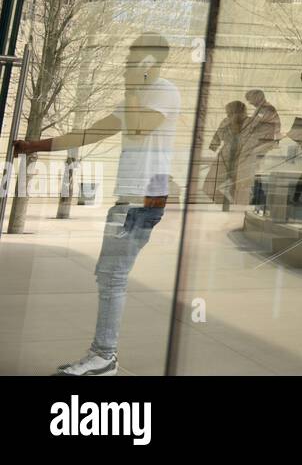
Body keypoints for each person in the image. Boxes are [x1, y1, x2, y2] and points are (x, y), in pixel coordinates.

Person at [13, 34, 181, 376]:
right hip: (131, 200)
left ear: (153, 62)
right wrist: (34, 146)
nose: (128, 64)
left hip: (143, 200)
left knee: (112, 278)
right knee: (110, 277)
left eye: (137, 59)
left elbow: (139, 126)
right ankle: (104, 354)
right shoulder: (136, 97)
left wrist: (134, 87)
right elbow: (89, 134)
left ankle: (104, 356)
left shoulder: (164, 91)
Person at [207, 100, 250, 210]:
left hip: (242, 158)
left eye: (230, 113)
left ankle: (233, 207)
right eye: (228, 113)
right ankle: (225, 205)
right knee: (211, 185)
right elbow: (215, 141)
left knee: (237, 186)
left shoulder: (249, 122)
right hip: (225, 157)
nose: (228, 115)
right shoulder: (226, 121)